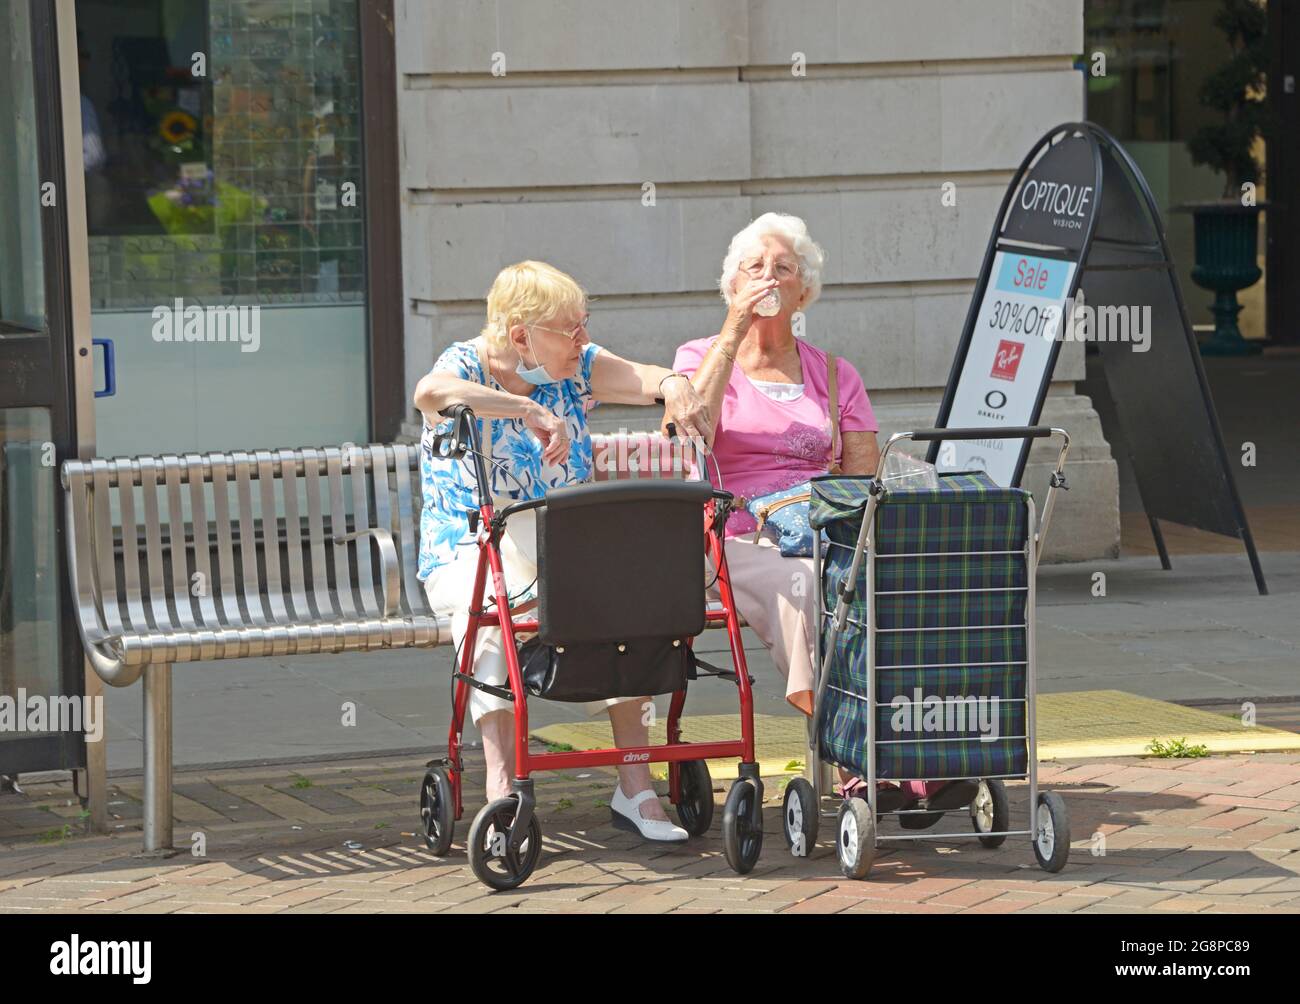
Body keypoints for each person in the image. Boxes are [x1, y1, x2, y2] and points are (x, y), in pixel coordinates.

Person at [671, 213, 976, 821]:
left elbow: (864, 483)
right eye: (753, 268)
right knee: (810, 587)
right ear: (730, 284)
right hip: (736, 536)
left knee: (890, 581)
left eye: (782, 268)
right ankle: (864, 759)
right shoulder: (697, 359)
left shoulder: (837, 375)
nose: (767, 278)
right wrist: (734, 331)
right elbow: (691, 426)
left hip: (825, 526)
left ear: (803, 291)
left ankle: (918, 745)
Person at [413, 261, 710, 842]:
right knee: (493, 622)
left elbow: (647, 379)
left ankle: (636, 788)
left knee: (623, 600)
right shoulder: (466, 365)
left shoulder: (578, 367)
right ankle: (502, 793)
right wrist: (525, 409)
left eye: (584, 324)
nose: (583, 340)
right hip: (469, 549)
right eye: (568, 330)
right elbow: (429, 393)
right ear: (521, 336)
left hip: (560, 547)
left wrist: (675, 386)